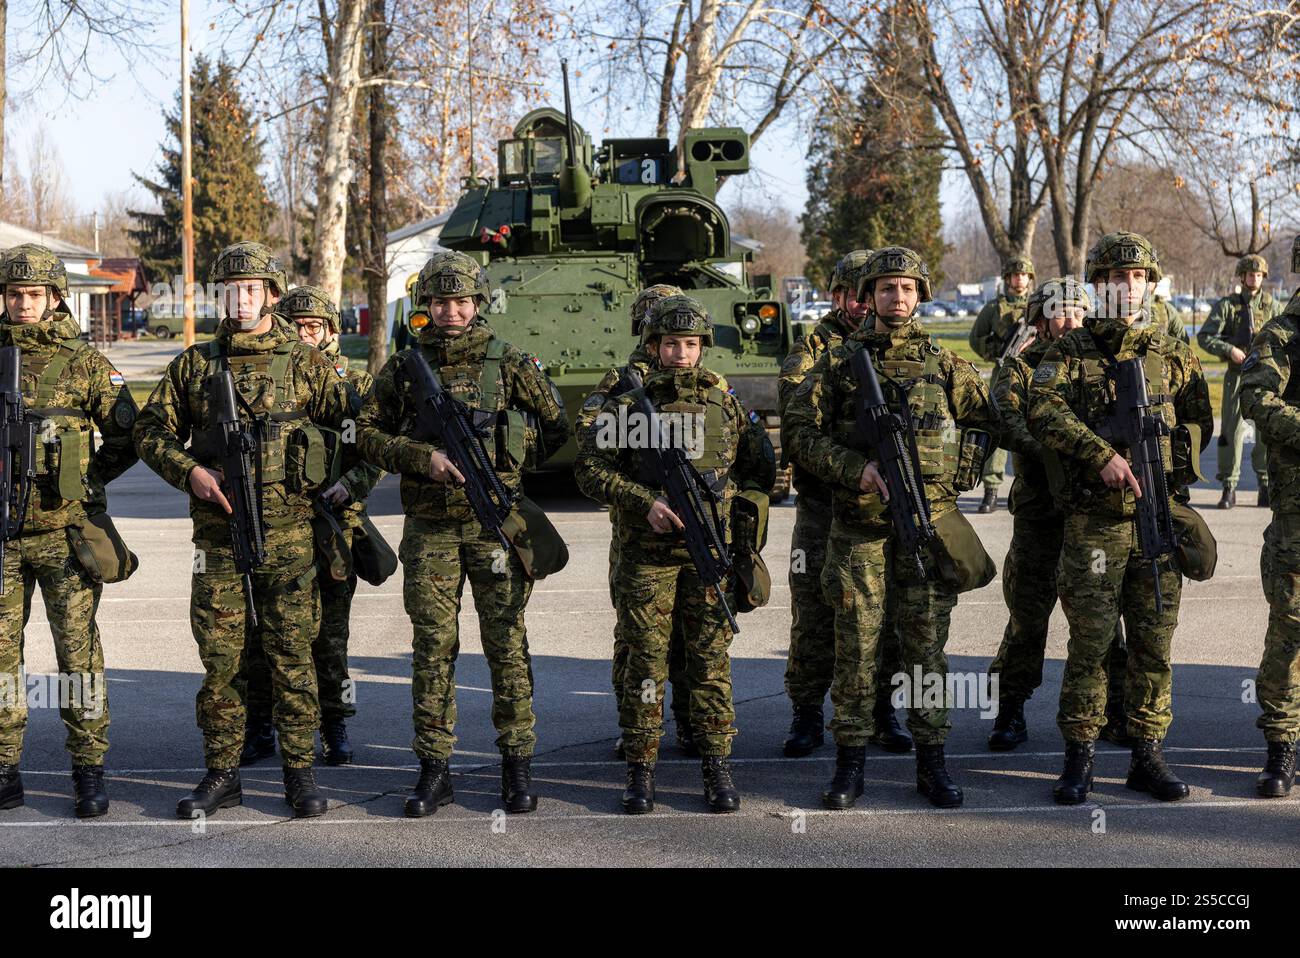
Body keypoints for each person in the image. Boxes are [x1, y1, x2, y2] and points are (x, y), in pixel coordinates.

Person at [135, 242, 360, 819]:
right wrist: (191, 473)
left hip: (290, 543)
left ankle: (299, 775)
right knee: (223, 664)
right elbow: (148, 432)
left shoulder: (308, 364)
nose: (239, 300)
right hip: (218, 542)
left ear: (272, 294)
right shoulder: (195, 364)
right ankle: (223, 774)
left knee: (292, 658)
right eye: (229, 290)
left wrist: (353, 484)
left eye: (251, 289)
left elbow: (365, 424)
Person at [355, 250, 569, 817]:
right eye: (441, 301)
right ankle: (434, 770)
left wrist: (507, 467)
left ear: (478, 303)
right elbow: (364, 434)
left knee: (506, 646)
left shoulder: (511, 362)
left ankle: (517, 767)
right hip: (430, 531)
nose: (451, 311)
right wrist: (421, 457)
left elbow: (556, 426)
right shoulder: (404, 368)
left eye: (462, 301)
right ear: (426, 304)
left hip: (495, 526)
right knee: (432, 649)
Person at [784, 247, 998, 809]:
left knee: (926, 651)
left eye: (905, 289)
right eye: (885, 289)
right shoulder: (838, 364)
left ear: (920, 295)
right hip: (859, 533)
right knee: (856, 649)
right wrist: (857, 469)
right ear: (868, 296)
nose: (895, 298)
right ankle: (849, 765)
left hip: (925, 531)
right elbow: (801, 437)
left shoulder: (946, 365)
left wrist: (956, 478)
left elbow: (984, 422)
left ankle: (933, 765)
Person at [1028, 232, 1212, 805]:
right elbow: (1042, 409)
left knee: (1154, 643)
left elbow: (1199, 417)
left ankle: (1147, 756)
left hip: (1154, 515)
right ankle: (1078, 758)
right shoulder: (1069, 350)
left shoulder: (1172, 350)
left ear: (1151, 285)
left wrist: (1170, 461)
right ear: (1098, 285)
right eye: (1114, 278)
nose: (1127, 288)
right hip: (1095, 525)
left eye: (1138, 278)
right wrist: (1099, 452)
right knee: (1091, 644)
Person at [575, 294, 774, 814]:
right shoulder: (626, 403)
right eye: (670, 343)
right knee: (646, 662)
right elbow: (590, 471)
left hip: (709, 552)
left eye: (690, 344)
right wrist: (645, 503)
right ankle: (641, 770)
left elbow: (758, 468)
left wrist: (739, 519)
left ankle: (716, 766)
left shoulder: (723, 401)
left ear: (702, 348)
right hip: (648, 556)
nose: (681, 353)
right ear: (654, 345)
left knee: (710, 662)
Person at [0, 244, 140, 819]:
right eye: (12, 293)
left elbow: (130, 433)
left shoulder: (85, 363)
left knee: (77, 654)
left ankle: (88, 770)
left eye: (33, 294)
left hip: (64, 537)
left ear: (56, 297)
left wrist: (85, 480)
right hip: (2, 536)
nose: (22, 303)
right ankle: (6, 767)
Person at [238, 285, 385, 767]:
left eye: (314, 326)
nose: (305, 333)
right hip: (275, 524)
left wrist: (352, 484)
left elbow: (377, 449)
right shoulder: (267, 379)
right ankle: (261, 724)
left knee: (330, 636)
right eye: (297, 325)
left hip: (333, 526)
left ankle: (334, 722)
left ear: (331, 331)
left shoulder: (356, 384)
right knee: (262, 635)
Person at [985, 277, 1130, 751]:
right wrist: (1071, 454)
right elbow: (1009, 425)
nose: (1070, 321)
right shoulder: (1018, 369)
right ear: (1040, 319)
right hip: (1041, 511)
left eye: (1078, 312)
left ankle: (1114, 709)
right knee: (1028, 615)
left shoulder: (1098, 364)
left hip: (1094, 514)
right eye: (1059, 312)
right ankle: (1009, 709)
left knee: (1101, 617)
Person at [778, 250, 909, 758]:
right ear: (837, 296)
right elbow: (798, 424)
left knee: (887, 612)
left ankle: (883, 709)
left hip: (878, 508)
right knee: (813, 610)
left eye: (866, 292)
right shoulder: (815, 347)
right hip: (823, 507)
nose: (859, 303)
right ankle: (806, 712)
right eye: (850, 293)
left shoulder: (892, 343)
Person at [575, 283, 699, 758]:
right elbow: (590, 438)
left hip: (690, 525)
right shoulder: (621, 383)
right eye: (656, 317)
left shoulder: (700, 380)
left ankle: (691, 722)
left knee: (692, 635)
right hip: (637, 527)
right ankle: (636, 727)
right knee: (636, 633)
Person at [1239, 234, 1300, 797]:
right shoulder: (1283, 334)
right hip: (1297, 513)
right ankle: (1281, 746)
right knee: (1291, 627)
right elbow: (1255, 398)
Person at [1198, 254, 1282, 508]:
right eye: (1250, 274)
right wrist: (1228, 350)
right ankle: (1229, 487)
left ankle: (1265, 485)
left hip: (1265, 378)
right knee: (1231, 433)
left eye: (1258, 275)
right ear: (1242, 276)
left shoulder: (1272, 306)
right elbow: (1205, 336)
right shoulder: (1228, 306)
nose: (1254, 278)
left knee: (1264, 431)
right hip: (1236, 376)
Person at [969, 256, 1035, 513]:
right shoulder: (994, 307)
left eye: (1024, 275)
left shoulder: (1039, 304)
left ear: (1030, 278)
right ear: (1008, 279)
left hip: (1033, 373)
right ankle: (991, 490)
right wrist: (996, 351)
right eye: (1015, 275)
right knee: (998, 431)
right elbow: (975, 338)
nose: (1020, 279)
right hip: (1003, 373)